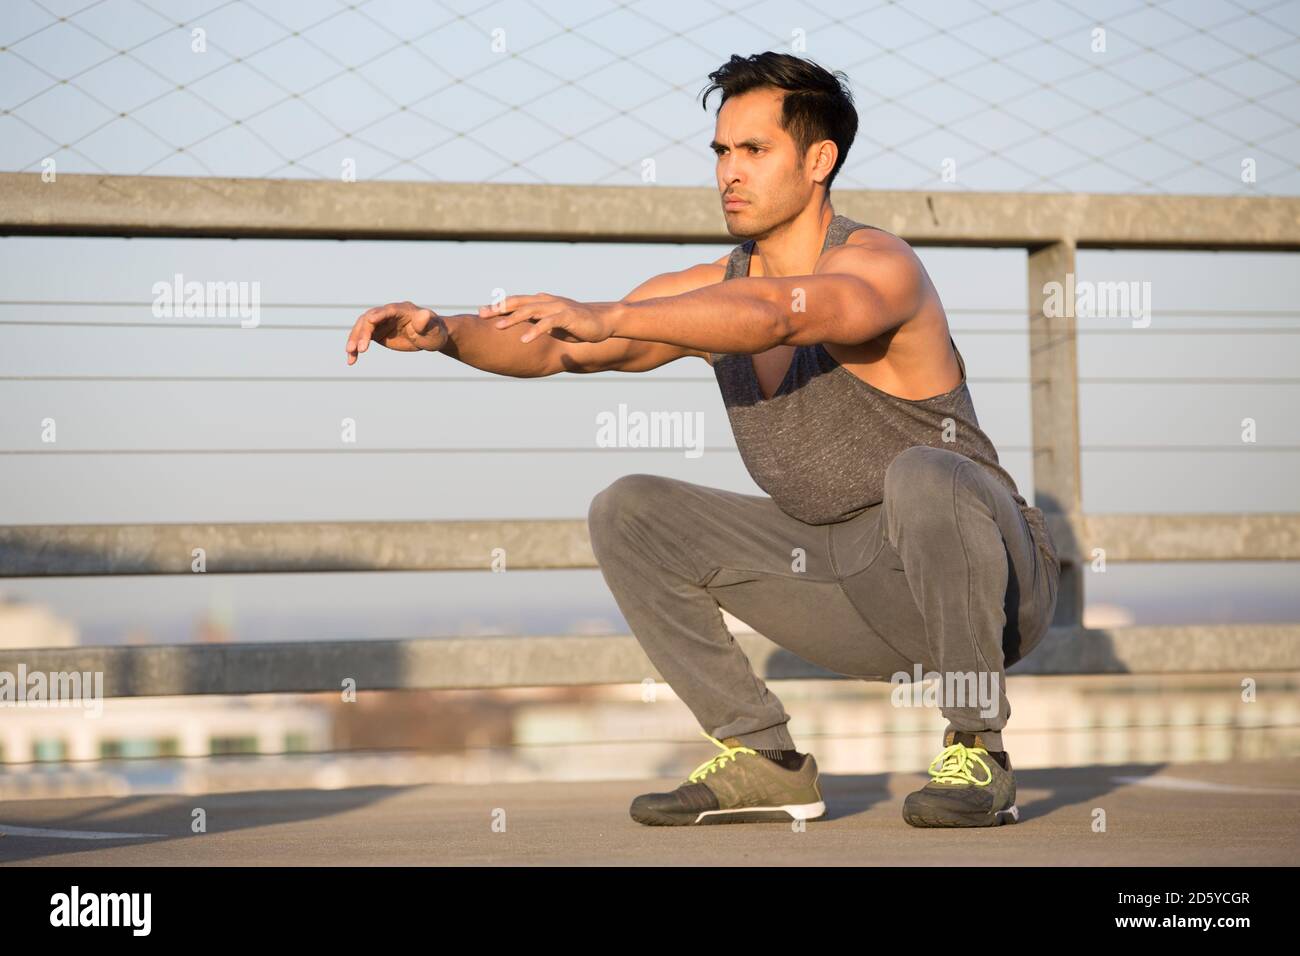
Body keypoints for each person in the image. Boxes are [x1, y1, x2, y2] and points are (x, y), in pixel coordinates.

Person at [344, 51, 1060, 829]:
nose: (730, 171)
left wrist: (614, 314)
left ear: (819, 160)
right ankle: (764, 761)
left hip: (988, 589)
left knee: (929, 473)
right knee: (630, 510)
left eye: (755, 150)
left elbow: (784, 314)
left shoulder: (881, 266)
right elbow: (561, 346)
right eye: (721, 151)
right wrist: (448, 333)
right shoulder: (710, 292)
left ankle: (976, 747)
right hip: (850, 590)